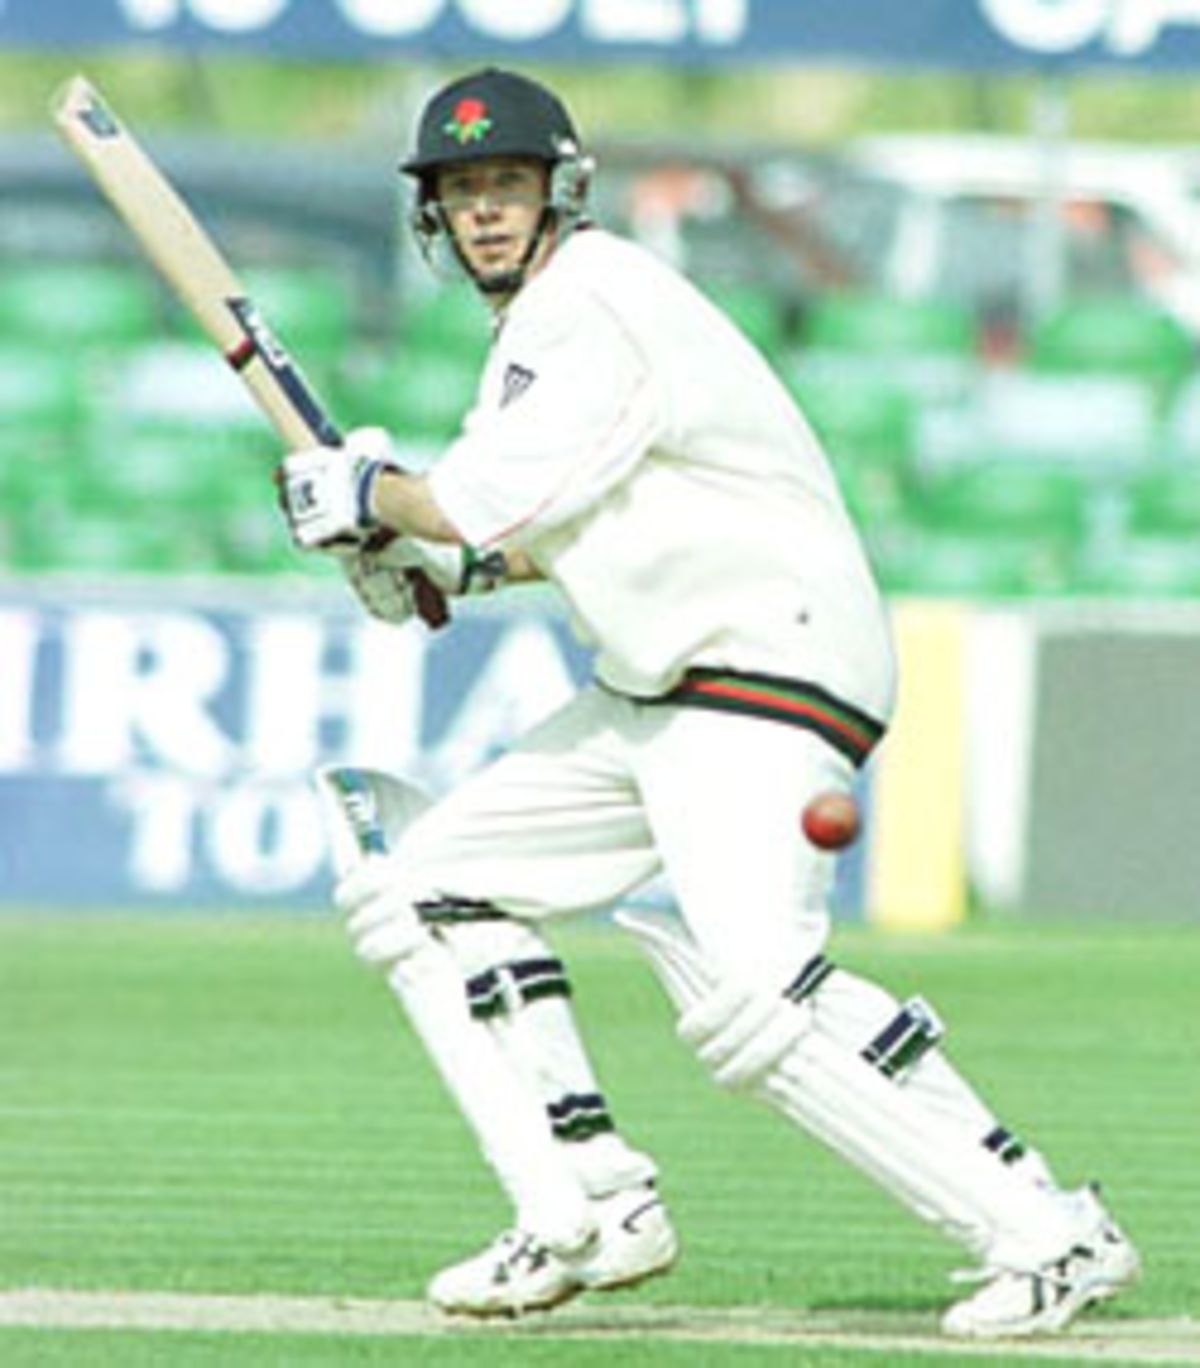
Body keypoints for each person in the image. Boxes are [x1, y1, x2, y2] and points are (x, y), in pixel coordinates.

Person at [278, 67, 1140, 1338]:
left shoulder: (593, 302)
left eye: (506, 184)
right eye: (461, 192)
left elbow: (472, 502)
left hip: (759, 668)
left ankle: (1046, 1236)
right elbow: (538, 527)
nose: (485, 212)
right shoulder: (544, 331)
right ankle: (591, 1201)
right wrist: (427, 558)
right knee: (426, 889)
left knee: (753, 1004)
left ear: (561, 190)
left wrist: (370, 495)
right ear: (435, 215)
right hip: (658, 687)